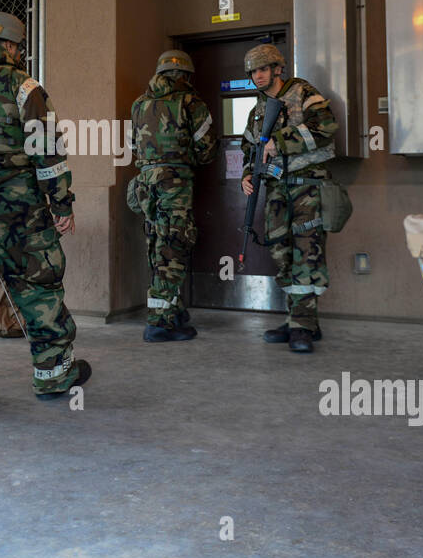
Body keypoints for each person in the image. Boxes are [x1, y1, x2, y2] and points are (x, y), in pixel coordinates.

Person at [0, 12, 90, 411]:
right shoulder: (24, 88)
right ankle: (54, 375)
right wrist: (61, 203)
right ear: (10, 45)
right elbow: (48, 151)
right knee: (37, 287)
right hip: (20, 212)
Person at [239, 43, 338, 353]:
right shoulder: (257, 110)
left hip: (307, 186)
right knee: (282, 253)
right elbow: (249, 147)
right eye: (253, 71)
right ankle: (296, 317)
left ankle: (303, 325)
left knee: (307, 253)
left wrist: (280, 141)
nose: (258, 75)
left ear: (278, 69)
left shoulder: (303, 93)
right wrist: (247, 173)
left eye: (263, 69)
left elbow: (326, 127)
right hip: (276, 189)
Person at [129, 50, 219, 342]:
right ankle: (160, 322)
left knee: (157, 244)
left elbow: (135, 147)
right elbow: (207, 150)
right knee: (174, 246)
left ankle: (173, 309)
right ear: (187, 76)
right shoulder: (191, 103)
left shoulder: (139, 104)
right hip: (175, 183)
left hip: (146, 183)